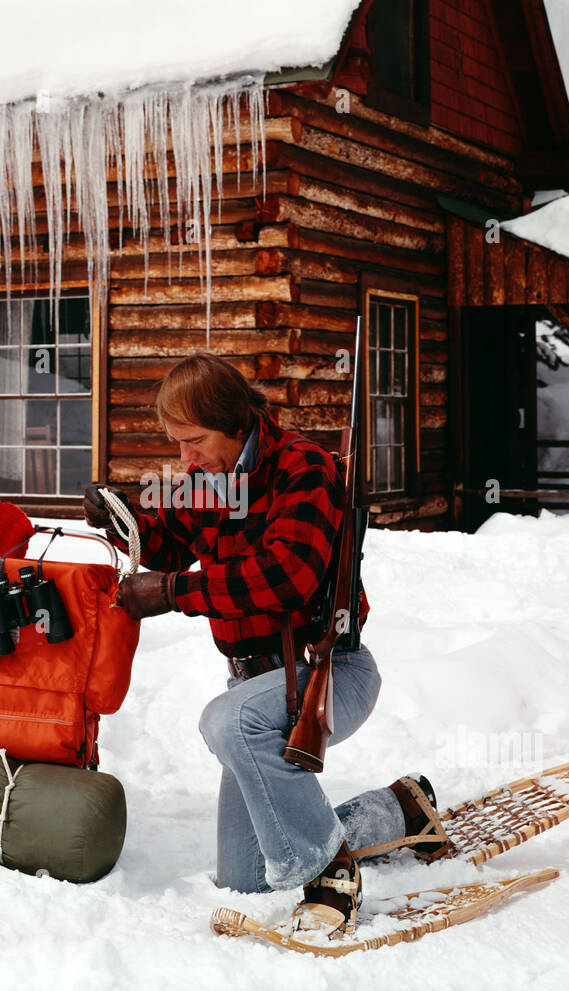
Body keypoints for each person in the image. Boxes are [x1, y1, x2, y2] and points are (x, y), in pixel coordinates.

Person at [83, 355, 440, 937]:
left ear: (233, 421)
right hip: (257, 685)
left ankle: (332, 872)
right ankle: (399, 810)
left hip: (328, 673)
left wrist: (175, 593)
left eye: (193, 441)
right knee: (246, 877)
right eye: (176, 444)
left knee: (228, 723)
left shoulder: (304, 468)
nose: (184, 458)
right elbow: (169, 545)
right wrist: (118, 517)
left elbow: (286, 575)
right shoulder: (207, 481)